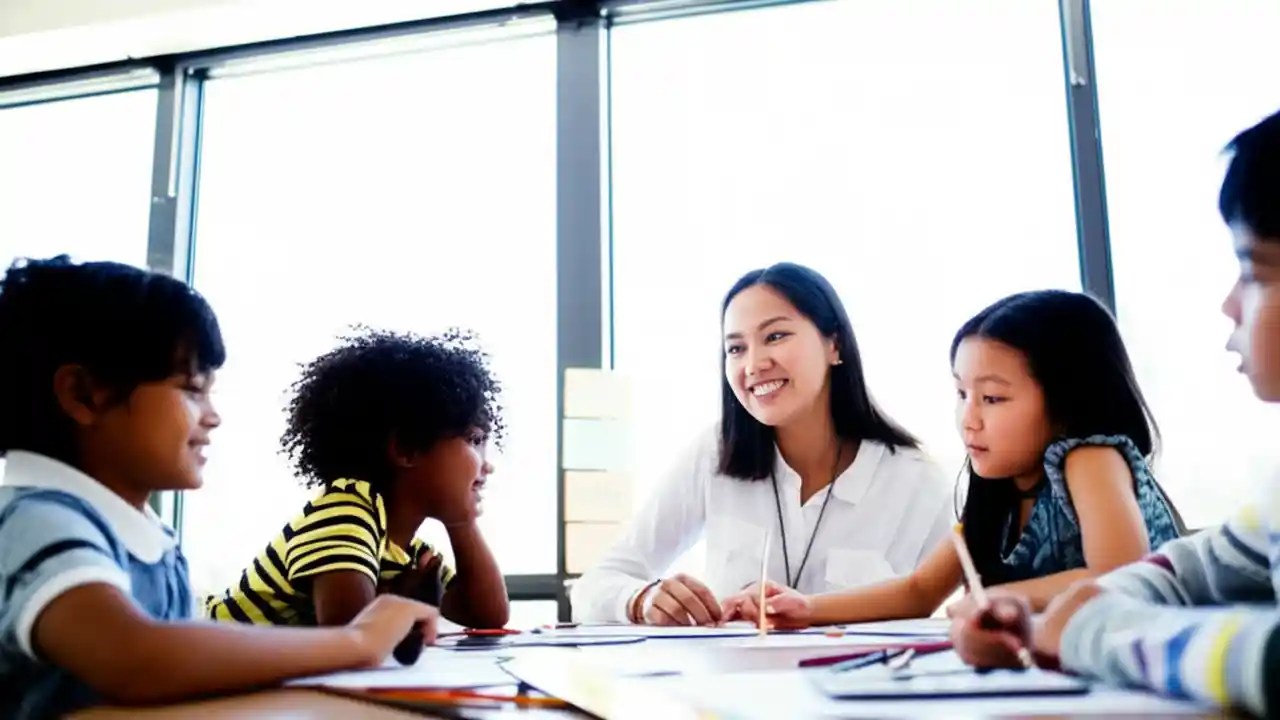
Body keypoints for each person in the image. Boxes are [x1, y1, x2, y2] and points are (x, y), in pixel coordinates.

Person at [950, 109, 1280, 718]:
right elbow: (1189, 571)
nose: (1229, 303)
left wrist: (1086, 631)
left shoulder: (1087, 457)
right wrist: (1067, 611)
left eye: (1254, 270)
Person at [0, 257, 436, 718]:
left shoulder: (144, 536)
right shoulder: (36, 520)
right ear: (84, 395)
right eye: (191, 389)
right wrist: (358, 640)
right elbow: (134, 657)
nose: (212, 416)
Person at [722, 289, 1181, 626]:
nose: (969, 419)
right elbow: (920, 591)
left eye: (994, 399)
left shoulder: (1089, 458)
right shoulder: (999, 490)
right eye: (962, 393)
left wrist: (997, 599)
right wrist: (806, 607)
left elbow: (1119, 572)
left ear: (1066, 406)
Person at [572, 262, 952, 625]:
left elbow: (949, 616)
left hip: (852, 689)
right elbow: (592, 589)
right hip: (728, 689)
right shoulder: (715, 454)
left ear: (834, 345)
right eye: (736, 348)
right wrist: (642, 600)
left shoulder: (916, 482)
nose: (753, 365)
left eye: (775, 336)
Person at [206, 328, 509, 629]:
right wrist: (403, 605)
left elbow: (487, 615)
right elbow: (353, 638)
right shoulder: (342, 518)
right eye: (474, 439)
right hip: (216, 669)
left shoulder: (405, 551)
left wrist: (462, 522)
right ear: (407, 448)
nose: (486, 465)